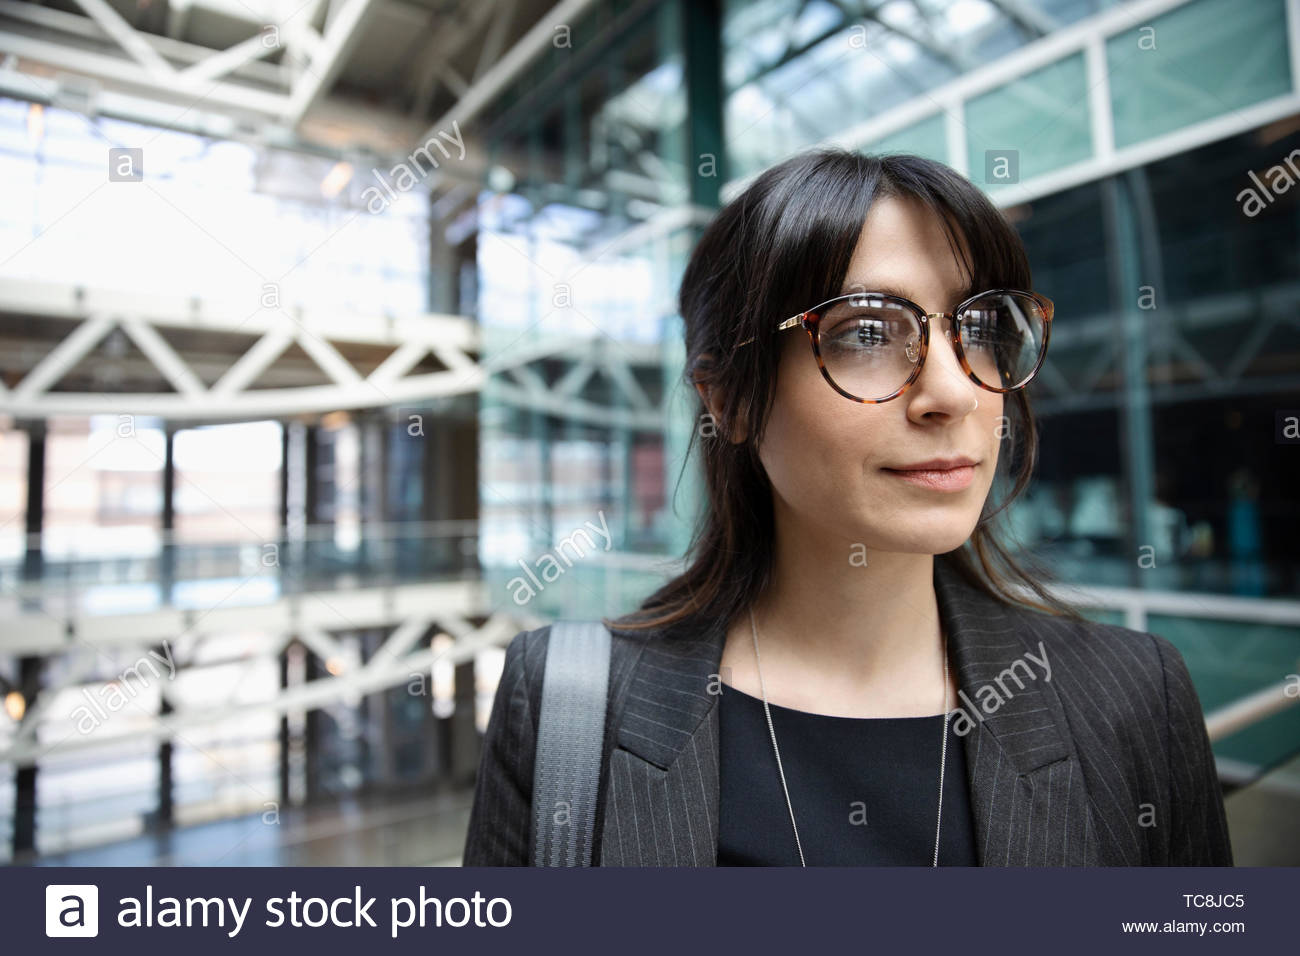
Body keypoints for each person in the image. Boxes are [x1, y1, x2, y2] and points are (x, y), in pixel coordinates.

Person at [462, 148, 1233, 867]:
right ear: (728, 398)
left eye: (982, 326)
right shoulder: (566, 709)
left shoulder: (1135, 701)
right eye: (868, 331)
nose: (954, 393)